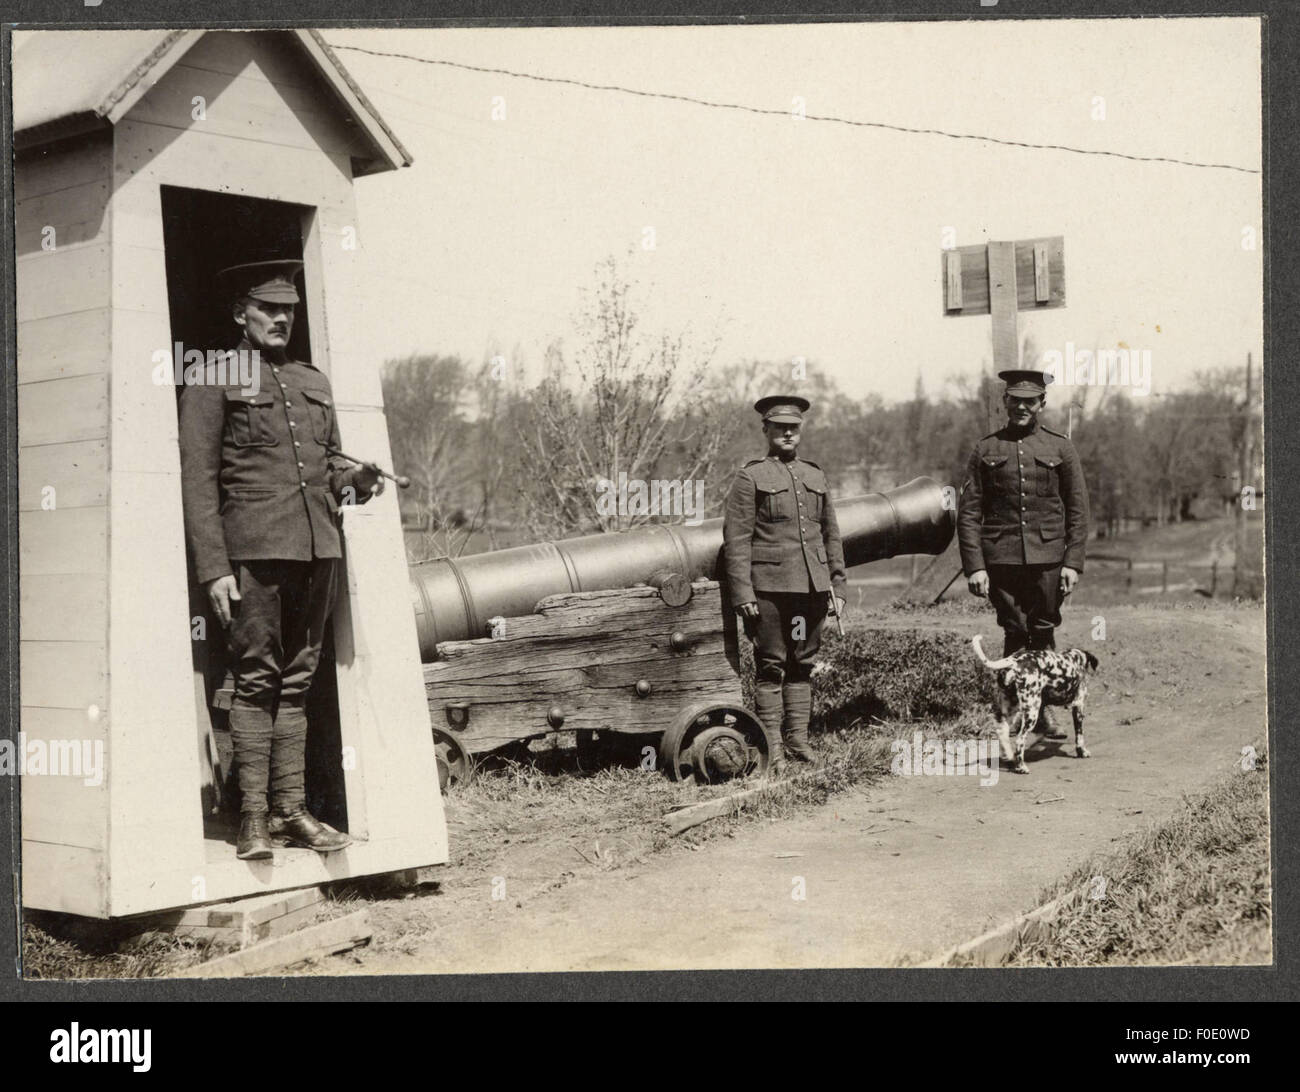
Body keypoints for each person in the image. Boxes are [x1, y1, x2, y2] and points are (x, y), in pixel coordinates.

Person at [179, 259, 385, 860]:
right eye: (269, 309)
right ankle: (251, 820)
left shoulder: (312, 382)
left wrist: (359, 478)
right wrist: (214, 568)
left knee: (297, 682)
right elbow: (198, 484)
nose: (281, 319)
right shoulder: (214, 379)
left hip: (318, 547)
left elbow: (329, 465)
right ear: (240, 314)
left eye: (289, 310)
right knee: (256, 681)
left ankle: (291, 811)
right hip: (254, 555)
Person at [957, 368, 1090, 735]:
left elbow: (1078, 510)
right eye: (1014, 400)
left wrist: (1072, 562)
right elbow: (969, 513)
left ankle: (1043, 711)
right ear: (1004, 402)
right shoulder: (986, 449)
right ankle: (1012, 711)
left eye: (1029, 401)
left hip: (1049, 559)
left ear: (1042, 404)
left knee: (1043, 629)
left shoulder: (1060, 447)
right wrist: (975, 567)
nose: (1021, 407)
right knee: (1014, 630)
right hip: (1002, 559)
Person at [723, 395, 847, 772]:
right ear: (766, 430)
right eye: (780, 427)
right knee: (771, 666)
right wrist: (743, 593)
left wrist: (837, 588)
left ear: (801, 430)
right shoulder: (751, 477)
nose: (788, 433)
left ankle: (798, 741)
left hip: (811, 589)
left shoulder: (815, 475)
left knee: (802, 665)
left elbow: (832, 537)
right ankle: (772, 747)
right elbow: (737, 540)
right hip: (770, 591)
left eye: (794, 427)